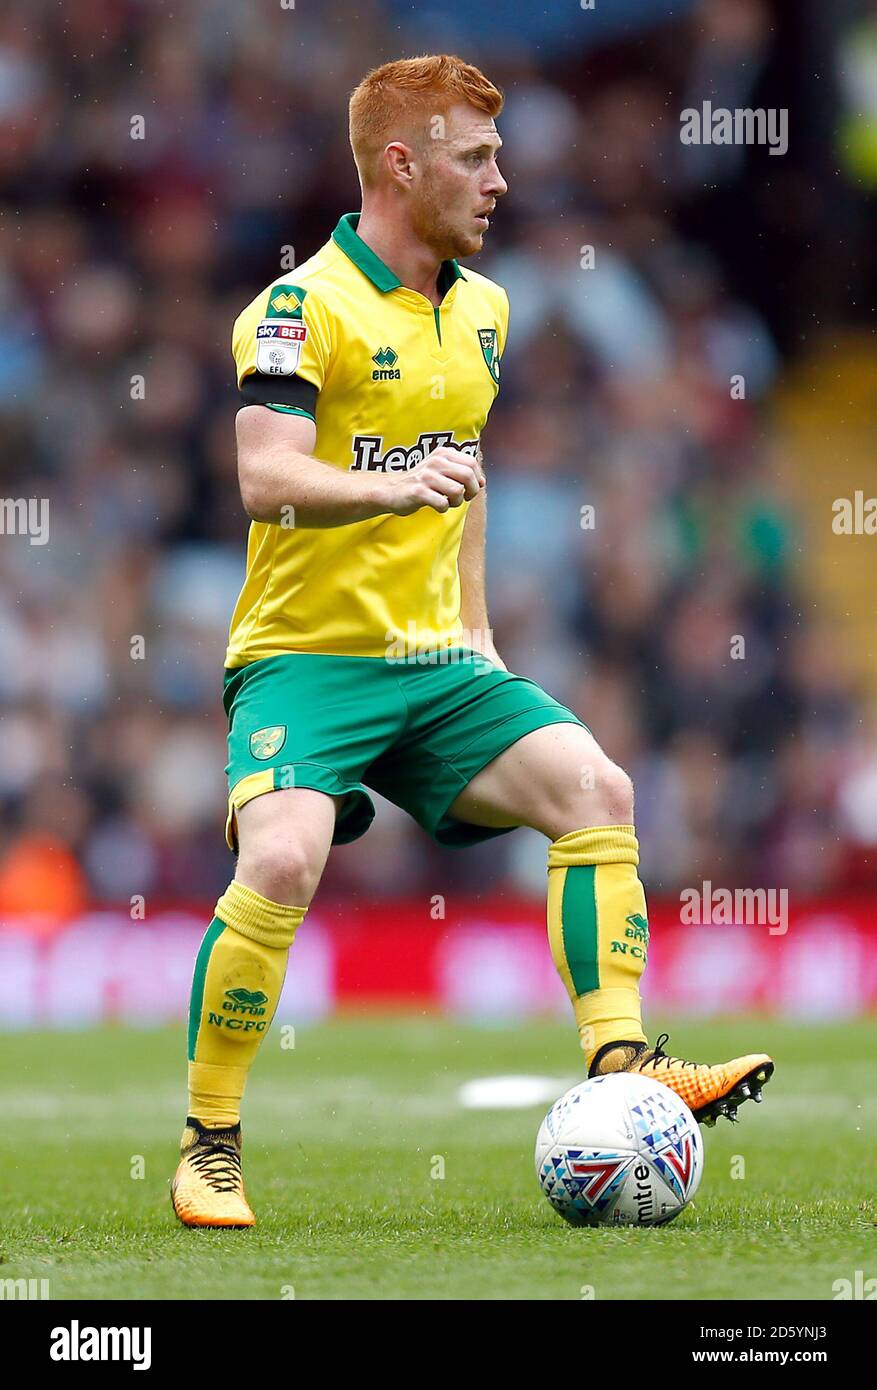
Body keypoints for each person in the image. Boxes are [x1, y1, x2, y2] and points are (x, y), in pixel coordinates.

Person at [171, 54, 773, 1229]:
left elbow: (466, 476)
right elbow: (260, 474)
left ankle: (622, 1065)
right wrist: (384, 493)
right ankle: (210, 1142)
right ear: (403, 163)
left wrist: (479, 633)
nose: (501, 180)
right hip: (307, 656)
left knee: (596, 784)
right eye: (477, 158)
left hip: (436, 664)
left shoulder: (485, 312)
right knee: (284, 860)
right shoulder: (299, 308)